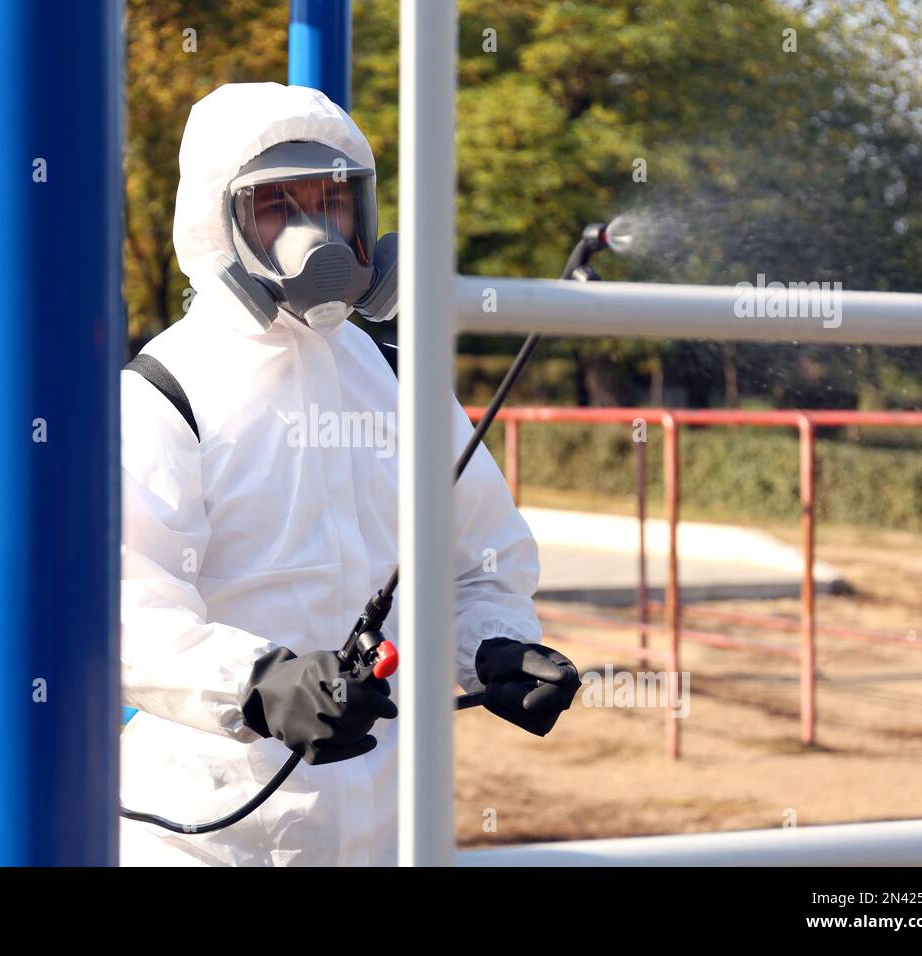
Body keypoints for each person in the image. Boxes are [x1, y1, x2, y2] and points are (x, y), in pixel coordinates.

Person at [119, 82, 580, 866]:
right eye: (276, 206)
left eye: (331, 200)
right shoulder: (167, 391)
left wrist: (497, 648)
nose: (313, 231)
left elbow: (481, 563)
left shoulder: (403, 382)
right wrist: (261, 687)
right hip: (208, 829)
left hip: (388, 824)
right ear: (217, 226)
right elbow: (124, 608)